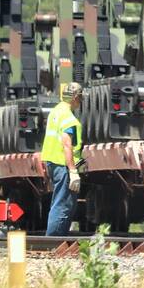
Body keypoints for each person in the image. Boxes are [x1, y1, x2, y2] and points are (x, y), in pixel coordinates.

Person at [42, 81, 84, 235]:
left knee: (59, 202)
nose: (80, 101)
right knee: (63, 204)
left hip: (53, 162)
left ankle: (55, 241)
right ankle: (54, 243)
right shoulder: (69, 118)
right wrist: (73, 171)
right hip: (63, 165)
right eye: (80, 97)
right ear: (74, 97)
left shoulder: (55, 111)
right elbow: (67, 144)